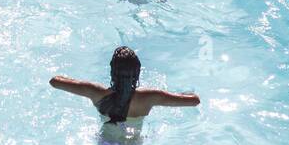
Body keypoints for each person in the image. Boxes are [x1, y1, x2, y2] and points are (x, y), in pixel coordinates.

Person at [50, 46, 199, 122]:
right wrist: (185, 93)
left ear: (112, 72)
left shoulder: (95, 92)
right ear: (137, 73)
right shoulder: (150, 97)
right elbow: (194, 101)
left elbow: (55, 81)